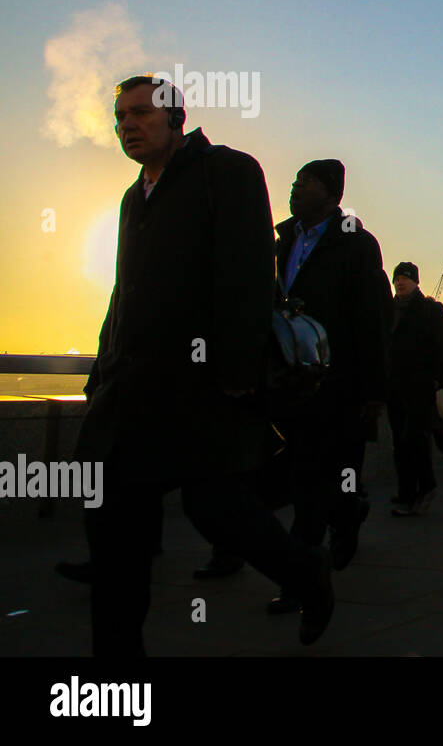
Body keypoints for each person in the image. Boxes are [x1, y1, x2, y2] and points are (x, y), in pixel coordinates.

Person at [76, 75, 333, 654]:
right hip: (130, 391)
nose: (128, 126)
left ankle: (306, 573)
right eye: (120, 118)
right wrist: (102, 372)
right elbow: (125, 293)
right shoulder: (132, 196)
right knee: (114, 531)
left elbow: (247, 282)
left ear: (176, 118)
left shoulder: (228, 172)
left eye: (141, 113)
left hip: (202, 390)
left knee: (219, 512)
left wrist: (234, 379)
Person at [266, 159, 392, 614]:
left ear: (332, 193)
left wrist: (374, 390)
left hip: (336, 382)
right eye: (296, 180)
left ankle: (300, 577)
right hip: (287, 379)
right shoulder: (282, 240)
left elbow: (372, 319)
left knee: (313, 480)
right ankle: (349, 511)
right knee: (310, 477)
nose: (297, 188)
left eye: (308, 182)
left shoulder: (356, 245)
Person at [389, 261, 443, 515]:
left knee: (414, 438)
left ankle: (424, 488)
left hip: (420, 384)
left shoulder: (430, 309)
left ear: (416, 281)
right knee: (400, 441)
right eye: (397, 278)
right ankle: (406, 492)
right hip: (393, 385)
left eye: (405, 278)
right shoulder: (387, 309)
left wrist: (437, 378)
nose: (400, 282)